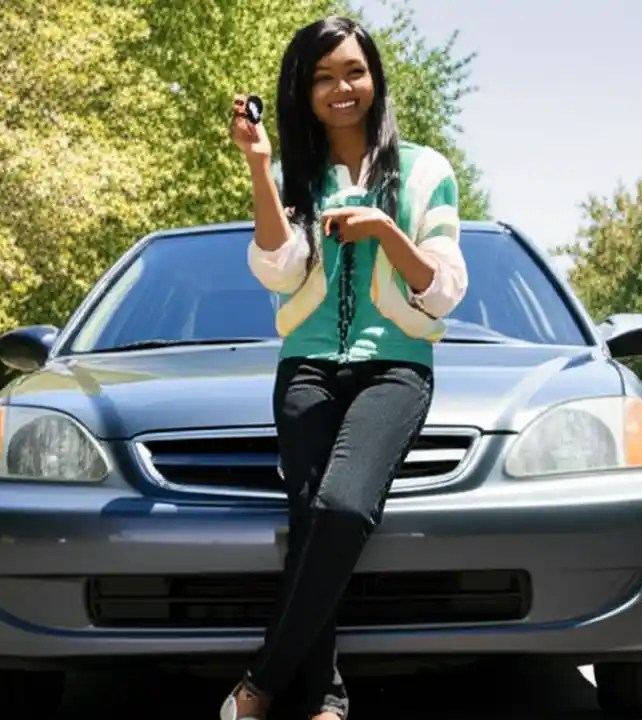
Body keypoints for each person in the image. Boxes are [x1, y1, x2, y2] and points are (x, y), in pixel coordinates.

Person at [223, 15, 468, 720]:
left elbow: (444, 286)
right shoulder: (297, 172)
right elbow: (280, 264)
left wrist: (386, 229)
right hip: (306, 366)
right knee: (310, 520)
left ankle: (261, 683)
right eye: (323, 77)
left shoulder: (427, 171)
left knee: (341, 506)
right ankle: (326, 702)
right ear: (302, 91)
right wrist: (259, 164)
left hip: (395, 367)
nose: (341, 88)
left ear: (375, 78)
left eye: (353, 72)